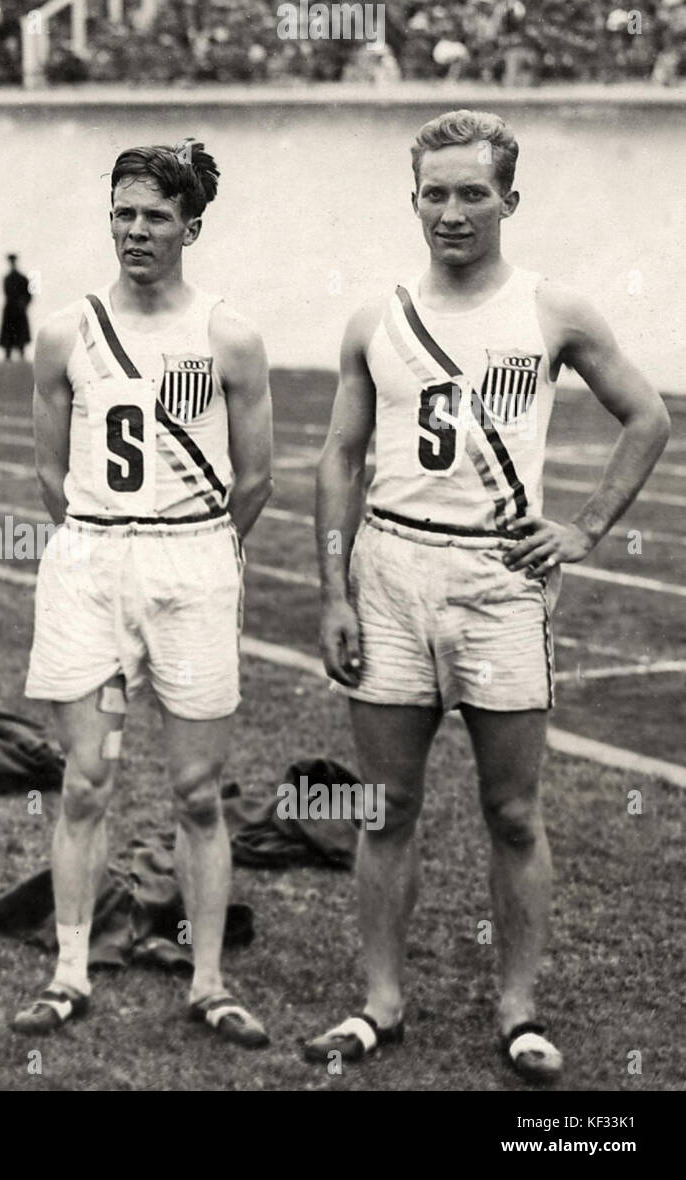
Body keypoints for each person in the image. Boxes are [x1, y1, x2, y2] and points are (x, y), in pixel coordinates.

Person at [311, 109, 670, 1082]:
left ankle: (517, 1007)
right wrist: (332, 593)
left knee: (512, 811)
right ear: (413, 198)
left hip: (500, 582)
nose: (453, 210)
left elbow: (645, 416)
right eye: (436, 192)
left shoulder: (552, 311)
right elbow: (340, 458)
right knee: (384, 808)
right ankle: (379, 1001)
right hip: (390, 574)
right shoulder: (372, 320)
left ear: (509, 198)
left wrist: (584, 530)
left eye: (474, 192)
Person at [14, 140, 275, 1046]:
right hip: (90, 560)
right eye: (123, 213)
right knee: (85, 780)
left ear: (190, 226)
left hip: (193, 560)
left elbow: (256, 479)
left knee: (198, 790)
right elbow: (52, 472)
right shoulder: (66, 331)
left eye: (155, 216)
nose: (135, 230)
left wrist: (194, 550)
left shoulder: (227, 334)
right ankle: (70, 968)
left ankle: (207, 979)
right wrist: (109, 543)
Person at [0, 253, 31, 361]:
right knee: (9, 336)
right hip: (10, 309)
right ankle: (8, 357)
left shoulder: (22, 278)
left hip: (18, 310)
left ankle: (21, 357)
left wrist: (23, 304)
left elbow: (28, 295)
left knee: (20, 335)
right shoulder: (7, 279)